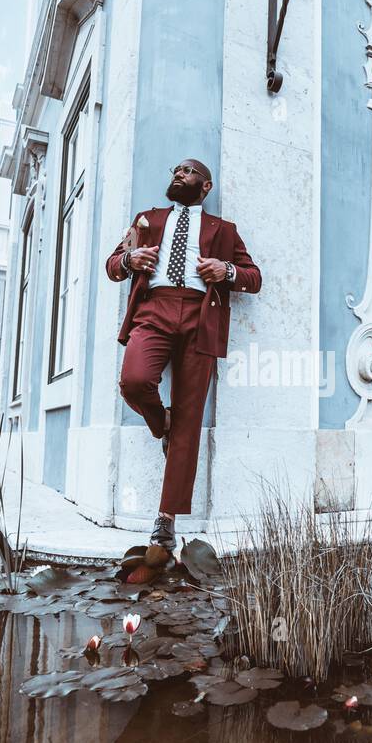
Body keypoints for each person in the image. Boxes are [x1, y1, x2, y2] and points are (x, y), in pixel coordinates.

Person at [105, 158, 262, 551]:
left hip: (200, 315)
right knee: (134, 381)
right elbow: (112, 266)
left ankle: (166, 519)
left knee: (189, 420)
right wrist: (129, 260)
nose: (179, 173)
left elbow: (254, 277)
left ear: (206, 186)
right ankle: (162, 424)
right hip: (153, 310)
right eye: (176, 169)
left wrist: (225, 270)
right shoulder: (147, 220)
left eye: (189, 171)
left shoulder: (224, 230)